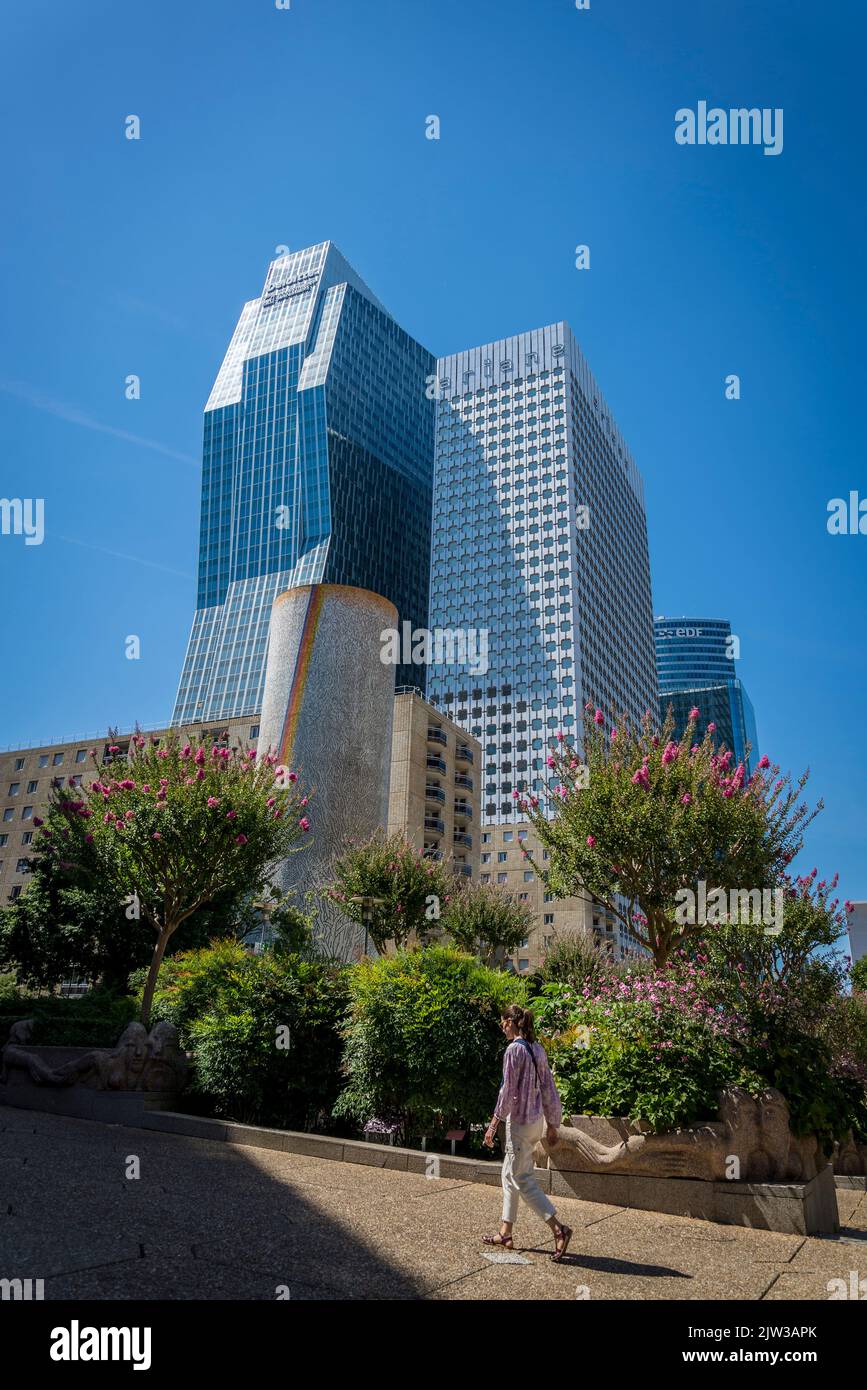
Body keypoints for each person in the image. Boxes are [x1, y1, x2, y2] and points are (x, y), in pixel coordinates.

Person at [482, 1003, 572, 1262]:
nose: (501, 1026)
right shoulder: (538, 1049)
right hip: (536, 1122)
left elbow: (507, 1091)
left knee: (522, 1179)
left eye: (503, 1022)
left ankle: (559, 1229)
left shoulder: (514, 1050)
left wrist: (494, 1123)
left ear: (511, 1022)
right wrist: (553, 1123)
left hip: (519, 1123)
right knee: (508, 1174)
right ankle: (505, 1233)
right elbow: (549, 1089)